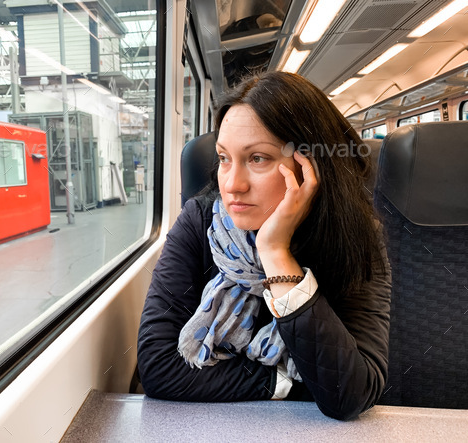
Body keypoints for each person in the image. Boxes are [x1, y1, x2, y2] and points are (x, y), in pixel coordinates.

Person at [137, 71, 391, 421]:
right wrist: (285, 383)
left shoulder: (355, 237)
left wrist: (276, 254)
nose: (233, 185)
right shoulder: (199, 222)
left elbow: (349, 394)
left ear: (309, 166)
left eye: (258, 158)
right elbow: (159, 368)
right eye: (224, 158)